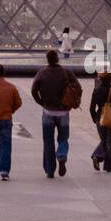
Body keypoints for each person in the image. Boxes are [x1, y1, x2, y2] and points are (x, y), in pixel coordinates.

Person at [31, 49, 78, 178]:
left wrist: (41, 102)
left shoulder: (42, 72)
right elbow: (77, 87)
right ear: (57, 58)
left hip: (48, 111)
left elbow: (34, 90)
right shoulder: (66, 72)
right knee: (63, 138)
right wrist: (71, 102)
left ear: (47, 59)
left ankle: (50, 170)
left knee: (48, 141)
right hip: (63, 112)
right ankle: (61, 156)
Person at [89, 71, 111, 173]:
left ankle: (97, 156)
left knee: (104, 140)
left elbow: (91, 107)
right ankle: (109, 166)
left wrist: (95, 118)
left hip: (100, 118)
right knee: (110, 143)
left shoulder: (96, 90)